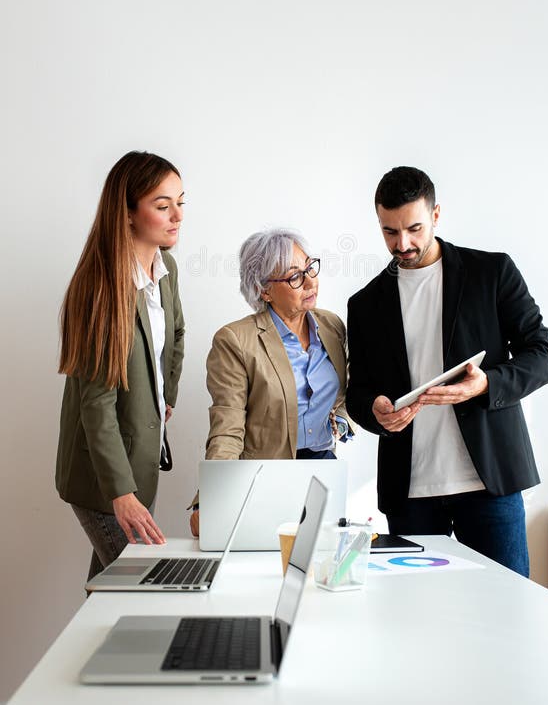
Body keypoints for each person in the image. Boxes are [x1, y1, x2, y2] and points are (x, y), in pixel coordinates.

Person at [346, 166, 548, 576]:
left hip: (489, 485)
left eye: (414, 228)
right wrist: (375, 409)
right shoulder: (366, 303)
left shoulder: (492, 273)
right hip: (410, 494)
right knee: (421, 627)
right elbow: (358, 393)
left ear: (437, 215)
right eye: (389, 231)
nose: (403, 243)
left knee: (507, 614)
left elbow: (544, 355)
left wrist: (487, 384)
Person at [56, 151, 185, 582]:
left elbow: (176, 335)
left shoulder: (165, 267)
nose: (177, 216)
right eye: (163, 206)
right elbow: (95, 403)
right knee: (141, 584)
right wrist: (121, 493)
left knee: (112, 592)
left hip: (142, 462)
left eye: (181, 203)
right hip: (104, 479)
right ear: (128, 215)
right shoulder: (100, 289)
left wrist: (165, 396)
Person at [190, 228, 353, 537]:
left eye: (310, 268)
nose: (309, 281)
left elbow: (342, 392)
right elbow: (228, 427)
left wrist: (340, 423)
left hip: (325, 471)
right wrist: (207, 500)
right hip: (267, 476)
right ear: (263, 290)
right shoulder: (236, 341)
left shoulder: (331, 326)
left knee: (319, 569)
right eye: (294, 277)